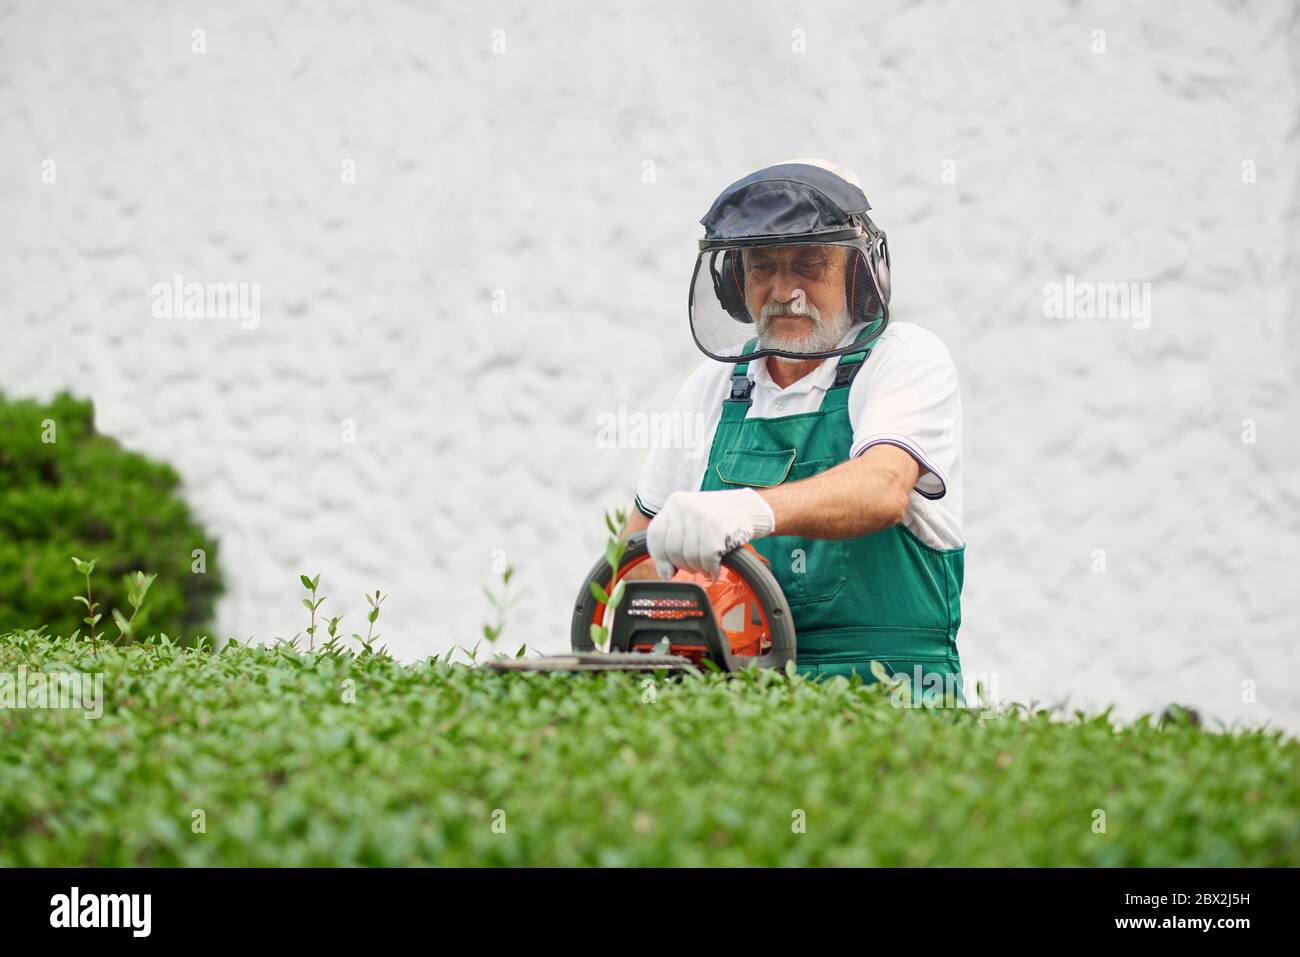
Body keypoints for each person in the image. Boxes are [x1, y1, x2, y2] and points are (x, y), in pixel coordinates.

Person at [621, 160, 965, 689]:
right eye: (762, 267)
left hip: (894, 694)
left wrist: (745, 510)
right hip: (740, 707)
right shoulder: (714, 384)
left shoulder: (903, 357)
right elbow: (639, 551)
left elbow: (882, 488)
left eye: (808, 265)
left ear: (857, 272)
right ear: (736, 280)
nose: (783, 291)